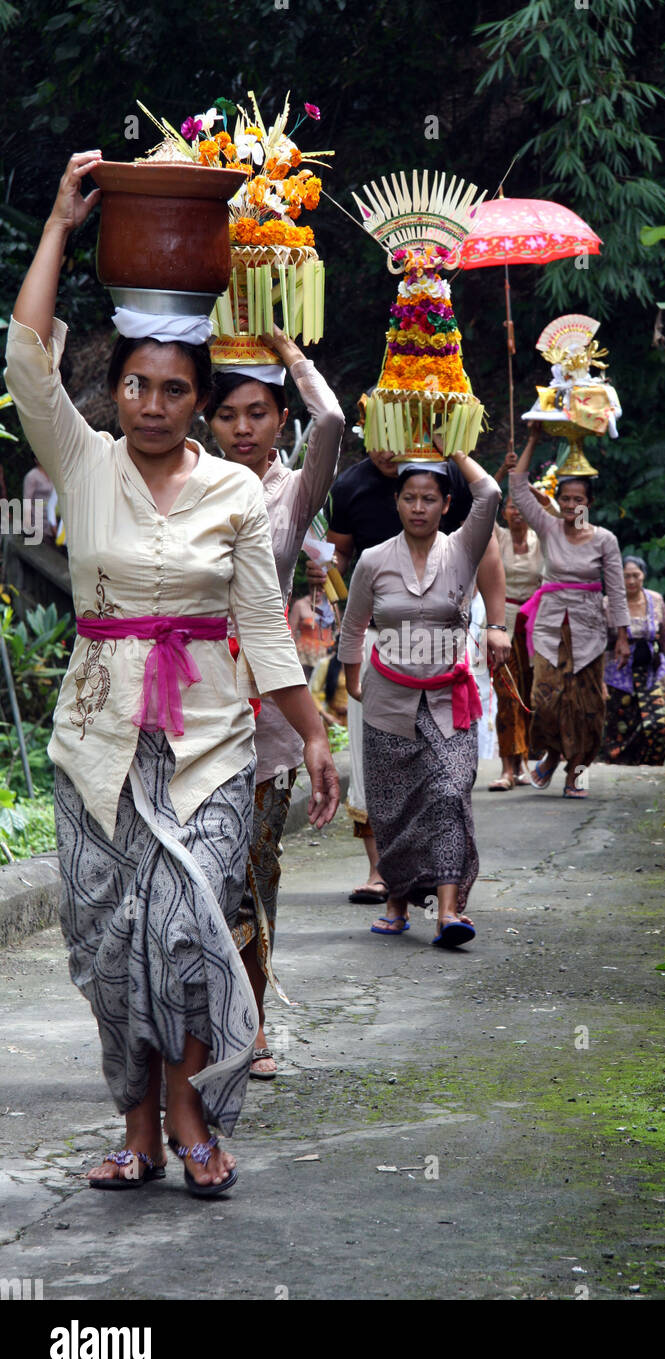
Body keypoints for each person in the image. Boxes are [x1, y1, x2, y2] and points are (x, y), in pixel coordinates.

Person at [4, 151, 340, 1197]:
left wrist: (315, 730)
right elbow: (25, 355)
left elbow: (260, 624)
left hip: (207, 740)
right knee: (112, 944)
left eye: (174, 390)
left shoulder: (235, 495)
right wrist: (62, 224)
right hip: (98, 737)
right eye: (137, 387)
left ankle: (191, 1110)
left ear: (199, 400)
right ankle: (136, 1127)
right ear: (119, 393)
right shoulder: (82, 459)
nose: (152, 404)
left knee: (190, 927)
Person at [205, 327, 343, 1079]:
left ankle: (252, 1022)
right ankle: (198, 1020)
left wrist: (290, 355)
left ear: (278, 421)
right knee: (197, 872)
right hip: (188, 703)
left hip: (269, 708)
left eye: (258, 414)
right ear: (209, 421)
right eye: (228, 415)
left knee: (256, 867)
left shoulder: (291, 492)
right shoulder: (188, 480)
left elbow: (333, 424)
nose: (243, 429)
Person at [308, 439, 510, 904]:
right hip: (384, 674)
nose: (419, 507)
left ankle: (447, 907)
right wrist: (353, 677)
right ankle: (392, 887)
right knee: (390, 794)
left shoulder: (462, 545)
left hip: (447, 686)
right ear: (395, 501)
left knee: (450, 790)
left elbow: (491, 497)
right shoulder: (370, 546)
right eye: (409, 498)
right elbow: (353, 622)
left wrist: (456, 450)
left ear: (447, 504)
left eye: (430, 498)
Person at [509, 422, 630, 798]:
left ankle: (576, 774)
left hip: (591, 630)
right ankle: (551, 753)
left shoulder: (605, 540)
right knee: (544, 700)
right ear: (557, 499)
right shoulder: (547, 528)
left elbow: (617, 588)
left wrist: (622, 636)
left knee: (589, 707)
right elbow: (516, 486)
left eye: (578, 499)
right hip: (549, 626)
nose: (571, 505)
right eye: (565, 498)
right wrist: (532, 439)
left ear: (588, 503)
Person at [488, 464, 544, 790]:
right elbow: (480, 502)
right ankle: (508, 768)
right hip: (505, 619)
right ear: (506, 512)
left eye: (523, 507)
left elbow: (552, 509)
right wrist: (502, 471)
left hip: (537, 622)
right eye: (512, 505)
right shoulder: (500, 537)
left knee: (534, 692)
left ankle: (528, 762)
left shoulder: (543, 539)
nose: (517, 512)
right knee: (507, 692)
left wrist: (525, 487)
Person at [601, 555, 665, 765]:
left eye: (636, 575)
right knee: (621, 729)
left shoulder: (656, 600)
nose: (631, 581)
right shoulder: (608, 604)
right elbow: (599, 643)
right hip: (619, 674)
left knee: (658, 725)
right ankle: (622, 770)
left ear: (643, 575)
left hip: (652, 671)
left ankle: (650, 768)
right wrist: (599, 681)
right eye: (626, 577)